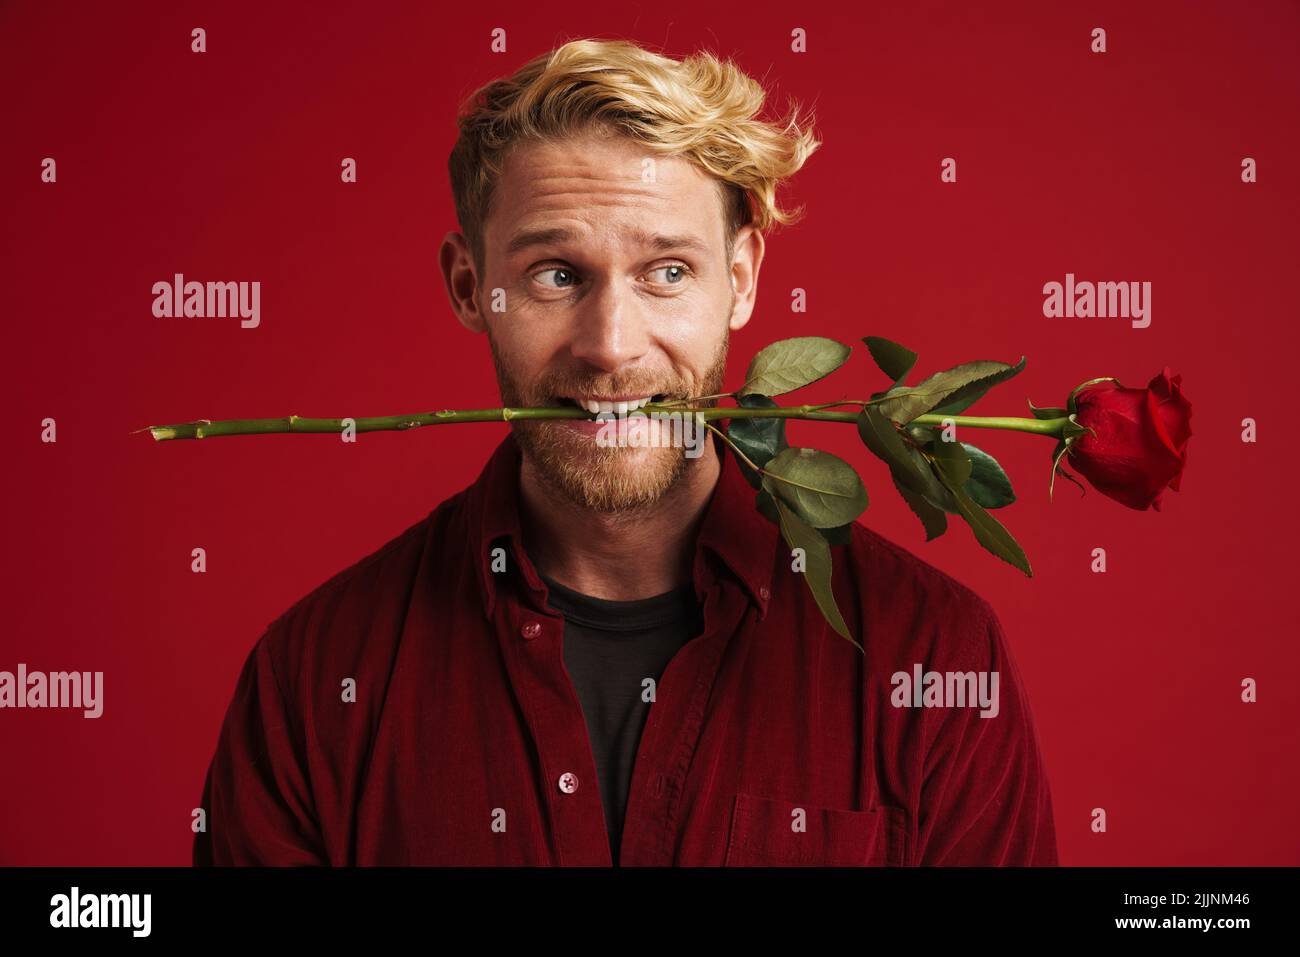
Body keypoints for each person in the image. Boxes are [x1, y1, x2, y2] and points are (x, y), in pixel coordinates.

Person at [193, 38, 1057, 866]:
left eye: (667, 271)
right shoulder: (312, 679)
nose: (610, 346)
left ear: (743, 278)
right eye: (556, 274)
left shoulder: (935, 658)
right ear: (469, 287)